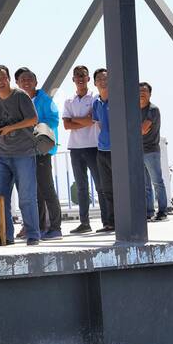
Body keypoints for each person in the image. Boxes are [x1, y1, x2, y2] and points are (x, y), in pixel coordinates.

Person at [0, 65, 40, 246]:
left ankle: (33, 234)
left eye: (2, 78)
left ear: (9, 79)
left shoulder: (20, 96)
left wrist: (10, 127)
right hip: (2, 153)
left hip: (24, 152)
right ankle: (4, 236)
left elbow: (33, 119)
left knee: (26, 196)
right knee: (0, 197)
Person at [15, 68, 62, 239]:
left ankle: (56, 228)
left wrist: (33, 125)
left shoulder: (44, 99)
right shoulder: (17, 100)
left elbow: (53, 119)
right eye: (22, 79)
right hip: (24, 151)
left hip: (41, 150)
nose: (26, 82)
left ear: (36, 82)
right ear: (17, 83)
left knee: (47, 188)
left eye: (29, 79)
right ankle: (41, 226)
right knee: (34, 192)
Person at [61, 64, 107, 234]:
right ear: (73, 79)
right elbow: (66, 125)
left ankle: (107, 220)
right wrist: (81, 120)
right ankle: (84, 222)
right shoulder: (68, 100)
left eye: (83, 75)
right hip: (75, 148)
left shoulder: (95, 97)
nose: (80, 78)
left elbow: (91, 120)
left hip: (93, 146)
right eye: (77, 76)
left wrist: (75, 119)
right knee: (81, 187)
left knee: (100, 185)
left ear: (88, 79)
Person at [139, 83, 168, 221]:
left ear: (150, 94)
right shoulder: (134, 109)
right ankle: (148, 212)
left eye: (145, 91)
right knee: (145, 184)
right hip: (138, 151)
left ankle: (163, 211)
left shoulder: (153, 110)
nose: (142, 93)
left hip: (151, 151)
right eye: (139, 91)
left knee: (157, 182)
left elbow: (142, 129)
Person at [91, 68, 114, 233]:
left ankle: (126, 220)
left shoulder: (117, 99)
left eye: (106, 78)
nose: (102, 81)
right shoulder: (96, 103)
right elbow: (99, 125)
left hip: (117, 150)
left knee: (120, 188)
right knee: (106, 189)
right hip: (102, 150)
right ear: (95, 83)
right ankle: (110, 222)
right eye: (99, 78)